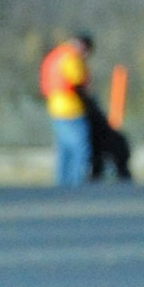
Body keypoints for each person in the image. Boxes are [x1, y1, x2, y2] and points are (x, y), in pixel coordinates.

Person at [41, 32, 94, 188]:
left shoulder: (56, 54)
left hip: (55, 106)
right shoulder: (72, 57)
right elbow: (77, 81)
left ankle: (62, 185)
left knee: (65, 149)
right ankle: (76, 184)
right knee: (80, 147)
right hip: (71, 107)